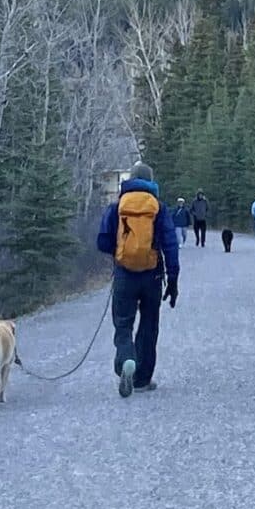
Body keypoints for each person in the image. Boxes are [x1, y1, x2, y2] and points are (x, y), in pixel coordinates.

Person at [97, 160, 179, 397]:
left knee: (123, 323)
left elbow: (102, 241)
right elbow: (170, 244)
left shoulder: (117, 207)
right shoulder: (158, 207)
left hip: (124, 274)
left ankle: (126, 360)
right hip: (152, 275)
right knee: (149, 324)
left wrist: (120, 250)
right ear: (150, 181)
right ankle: (142, 379)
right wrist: (173, 279)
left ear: (131, 179)